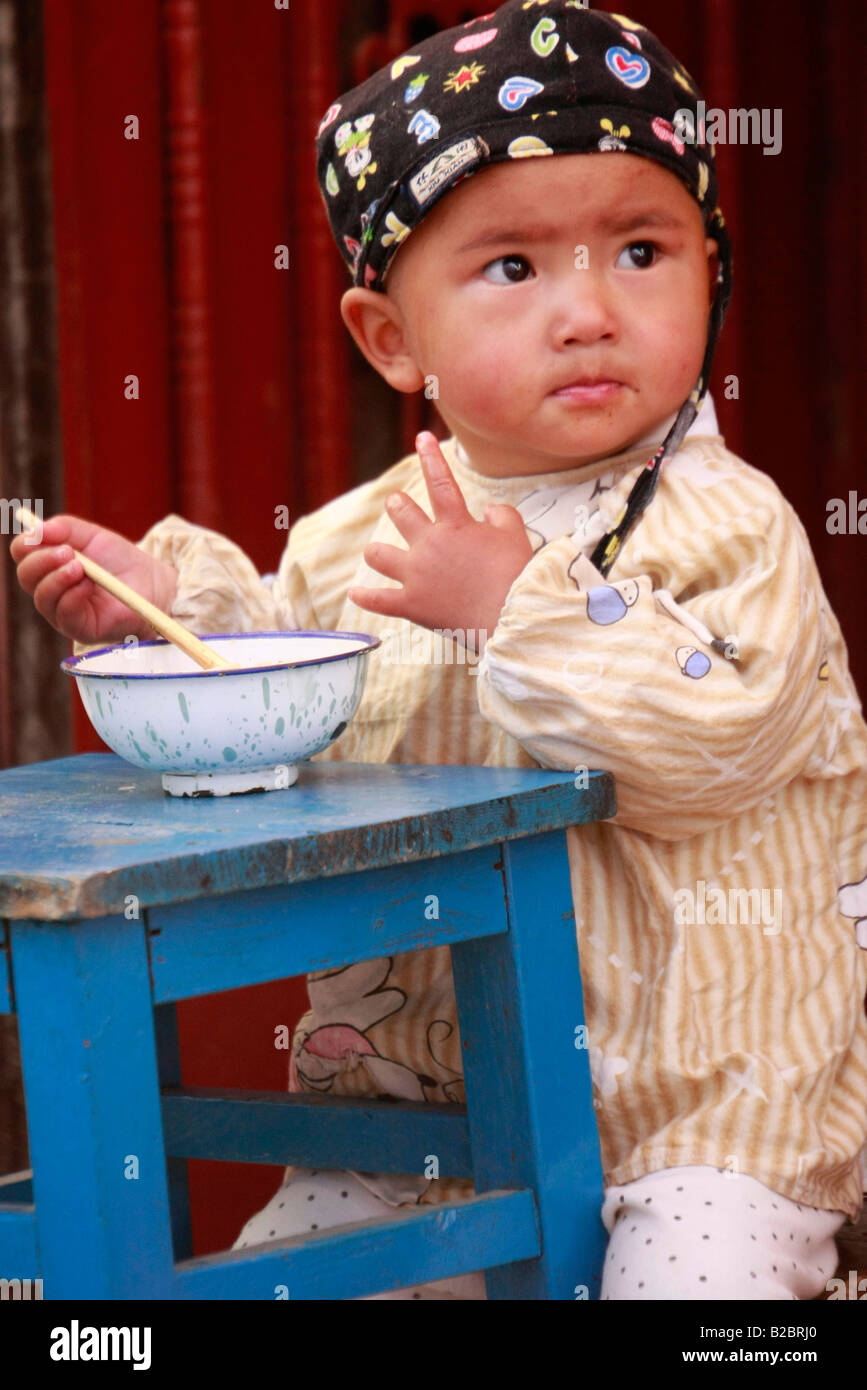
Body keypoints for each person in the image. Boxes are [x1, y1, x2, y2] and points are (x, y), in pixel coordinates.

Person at [11, 1, 867, 1300]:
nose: (587, 311)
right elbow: (286, 683)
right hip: (415, 1101)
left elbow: (712, 748)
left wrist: (517, 603)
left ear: (712, 266)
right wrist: (161, 606)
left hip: (698, 1111)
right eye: (515, 269)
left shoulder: (726, 525)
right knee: (282, 1283)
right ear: (389, 338)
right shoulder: (376, 530)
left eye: (641, 247)